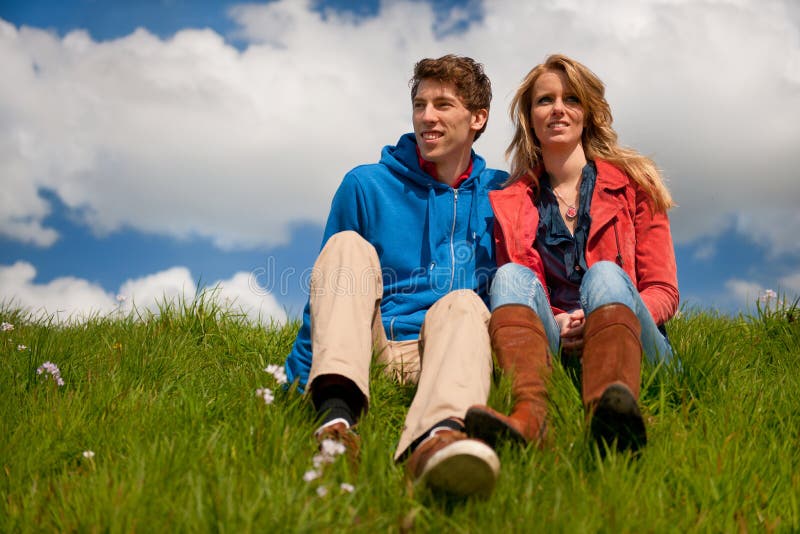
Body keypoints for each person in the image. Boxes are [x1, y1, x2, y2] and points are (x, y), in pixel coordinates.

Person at [284, 55, 508, 497]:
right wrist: (295, 377)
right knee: (346, 246)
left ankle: (437, 440)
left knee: (463, 302)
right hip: (377, 348)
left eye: (443, 104)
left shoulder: (505, 193)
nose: (428, 116)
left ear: (478, 118)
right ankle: (335, 419)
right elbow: (330, 289)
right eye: (420, 104)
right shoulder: (366, 185)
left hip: (453, 352)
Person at [465, 54, 679, 455]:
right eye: (545, 100)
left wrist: (598, 315)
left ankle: (612, 415)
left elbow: (664, 291)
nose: (558, 109)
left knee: (604, 277)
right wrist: (561, 322)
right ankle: (531, 416)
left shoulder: (636, 184)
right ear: (530, 117)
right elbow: (524, 296)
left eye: (571, 99)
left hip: (637, 346)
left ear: (588, 113)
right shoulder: (510, 202)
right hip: (556, 347)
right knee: (508, 276)